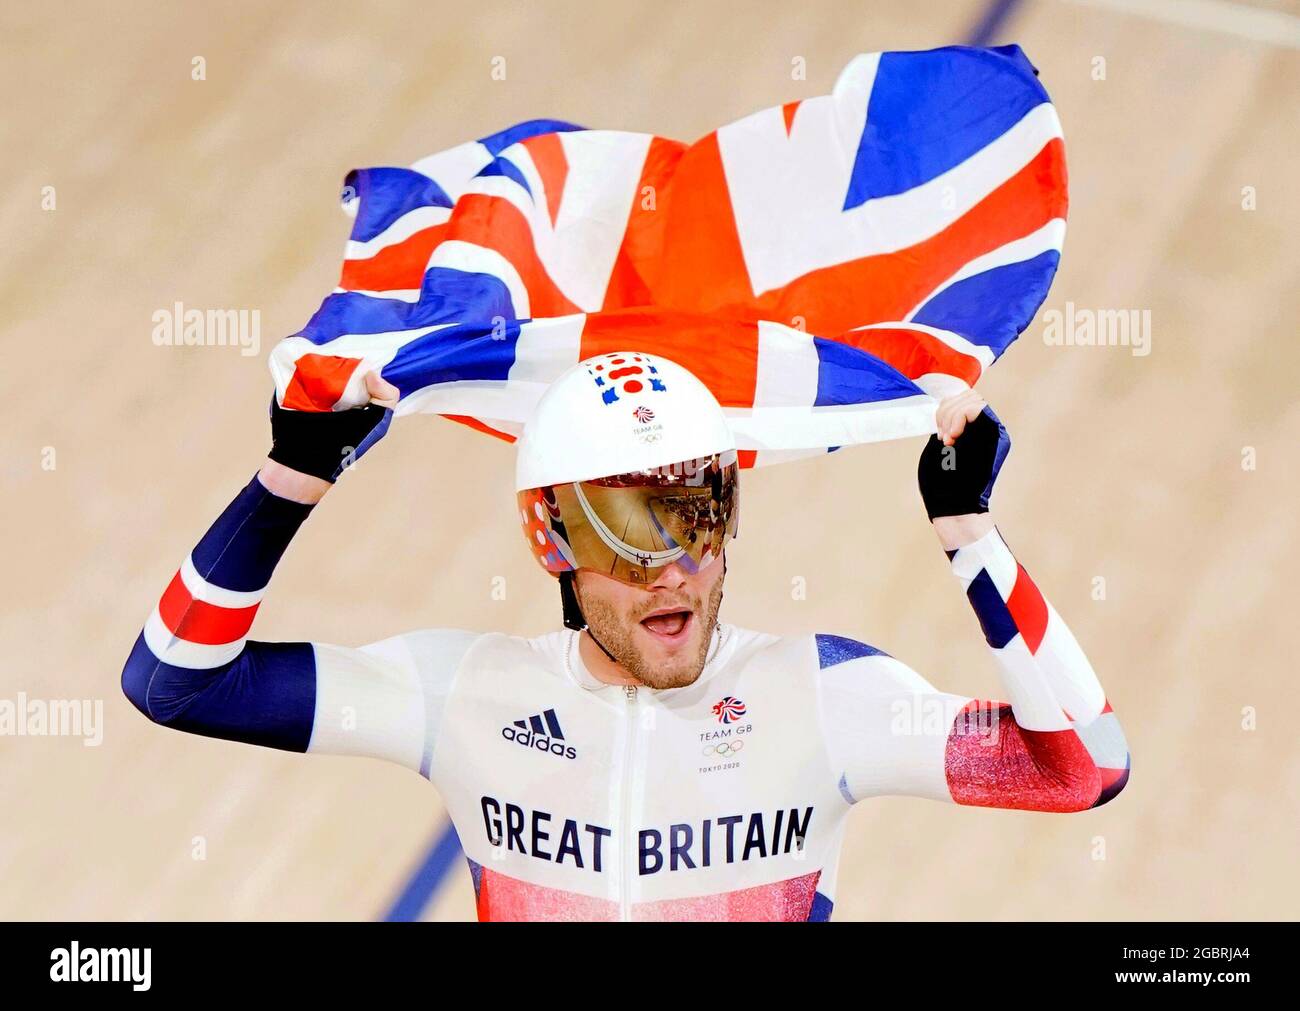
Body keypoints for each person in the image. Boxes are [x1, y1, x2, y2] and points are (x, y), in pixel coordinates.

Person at [121, 350, 1129, 921]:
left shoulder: (821, 697)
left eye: (698, 518)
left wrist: (968, 535)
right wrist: (293, 475)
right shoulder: (465, 694)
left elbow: (1081, 766)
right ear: (547, 536)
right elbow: (175, 682)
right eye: (630, 531)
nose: (674, 568)